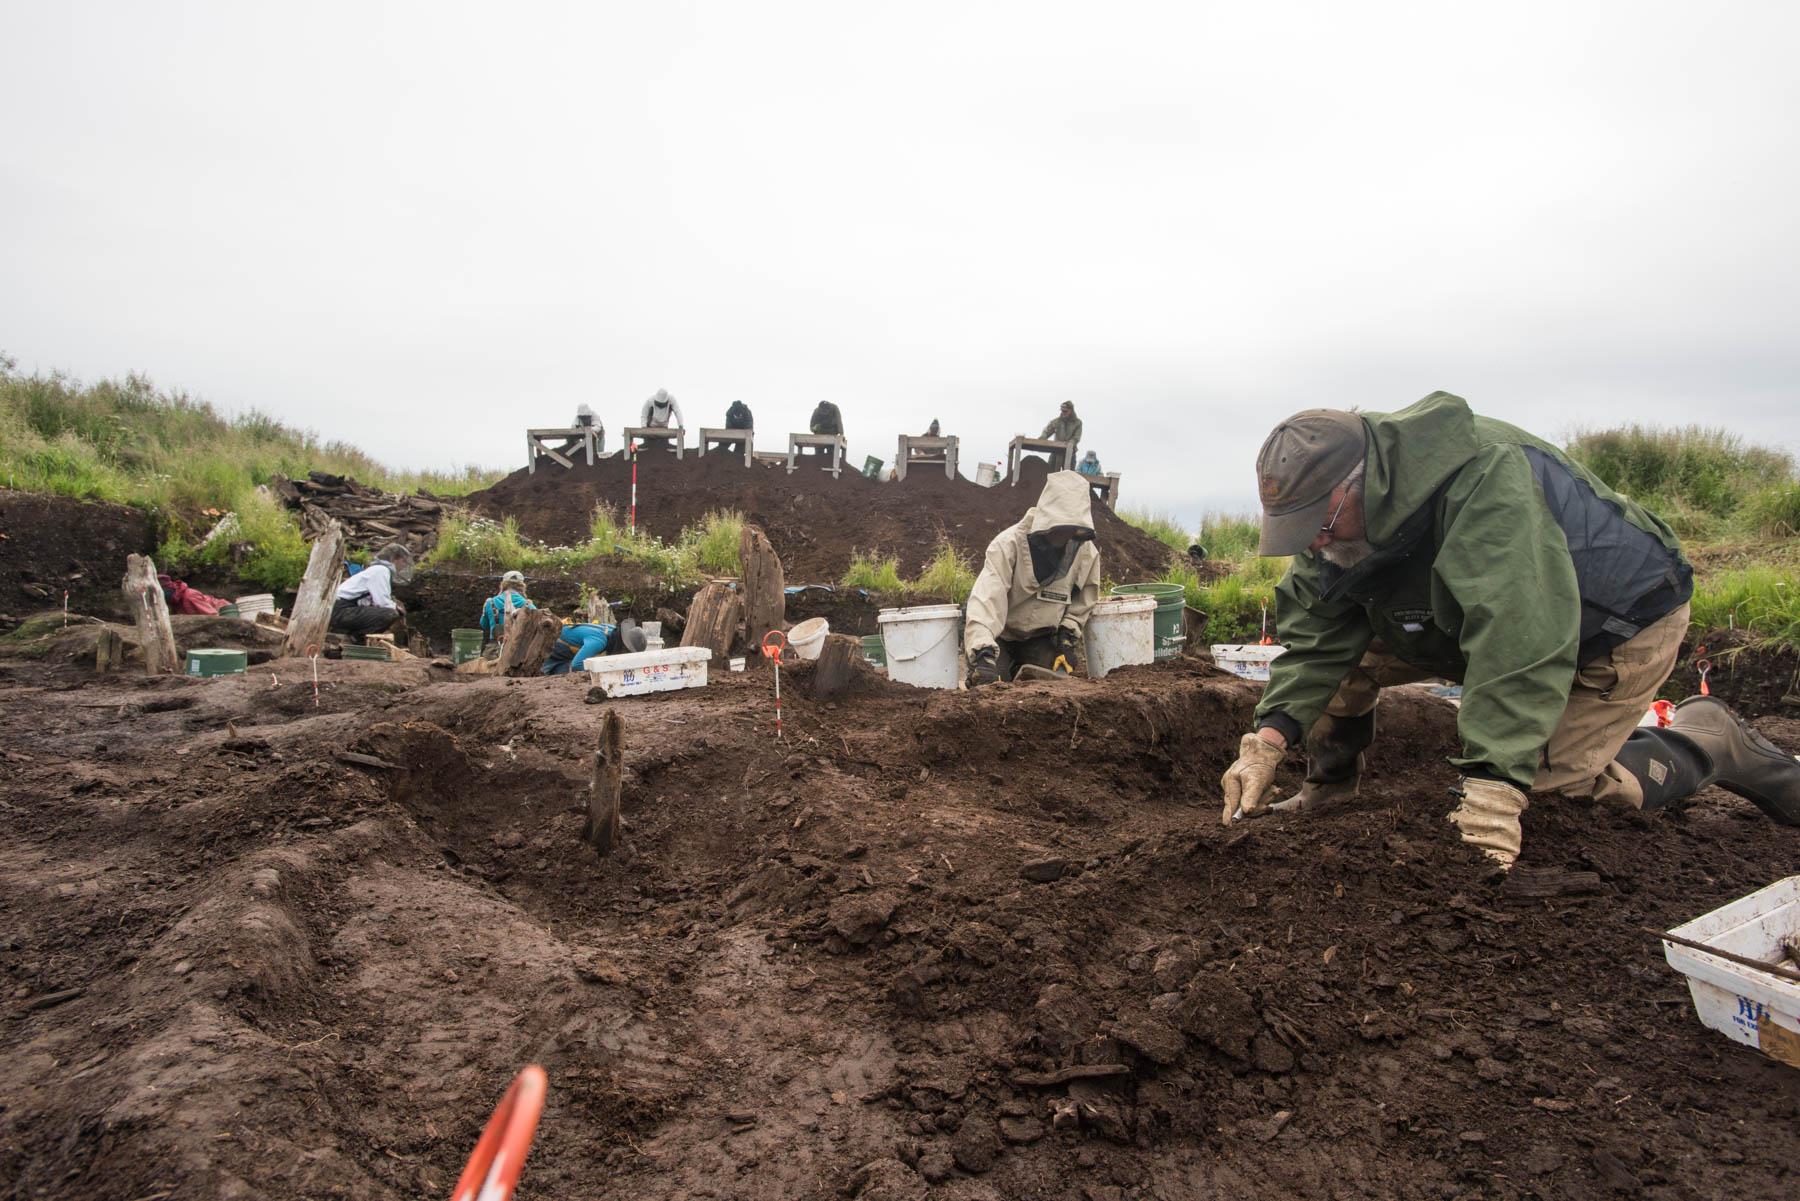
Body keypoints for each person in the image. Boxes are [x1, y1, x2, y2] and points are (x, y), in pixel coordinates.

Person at [1218, 392, 1799, 871]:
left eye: (1318, 523)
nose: (1314, 542)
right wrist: (1265, 743)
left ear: (1360, 483)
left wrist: (1495, 784)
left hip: (1612, 625)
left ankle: (1706, 743)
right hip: (1465, 618)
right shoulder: (1342, 530)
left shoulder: (1484, 478)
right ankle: (1329, 790)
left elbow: (1518, 636)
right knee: (1350, 658)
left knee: (1553, 799)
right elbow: (1319, 637)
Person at [965, 471, 1100, 685]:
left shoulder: (1086, 553)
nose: (1063, 536)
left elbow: (1084, 599)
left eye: (1070, 529)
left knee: (1055, 686)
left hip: (1041, 639)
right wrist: (983, 654)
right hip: (999, 636)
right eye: (1059, 527)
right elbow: (986, 600)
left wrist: (1066, 637)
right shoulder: (1007, 545)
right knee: (990, 686)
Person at [330, 543, 413, 642]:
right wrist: (396, 608)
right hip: (340, 610)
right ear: (394, 559)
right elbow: (382, 602)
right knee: (390, 614)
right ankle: (355, 639)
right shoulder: (381, 571)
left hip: (340, 609)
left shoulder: (377, 570)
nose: (404, 565)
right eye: (403, 561)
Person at [540, 620, 647, 675]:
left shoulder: (611, 630)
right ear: (622, 644)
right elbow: (577, 665)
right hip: (549, 646)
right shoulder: (599, 641)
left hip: (566, 652)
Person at [480, 570, 536, 642]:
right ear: (522, 586)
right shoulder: (528, 606)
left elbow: (484, 625)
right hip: (517, 649)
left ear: (503, 585)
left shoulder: (490, 603)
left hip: (495, 648)